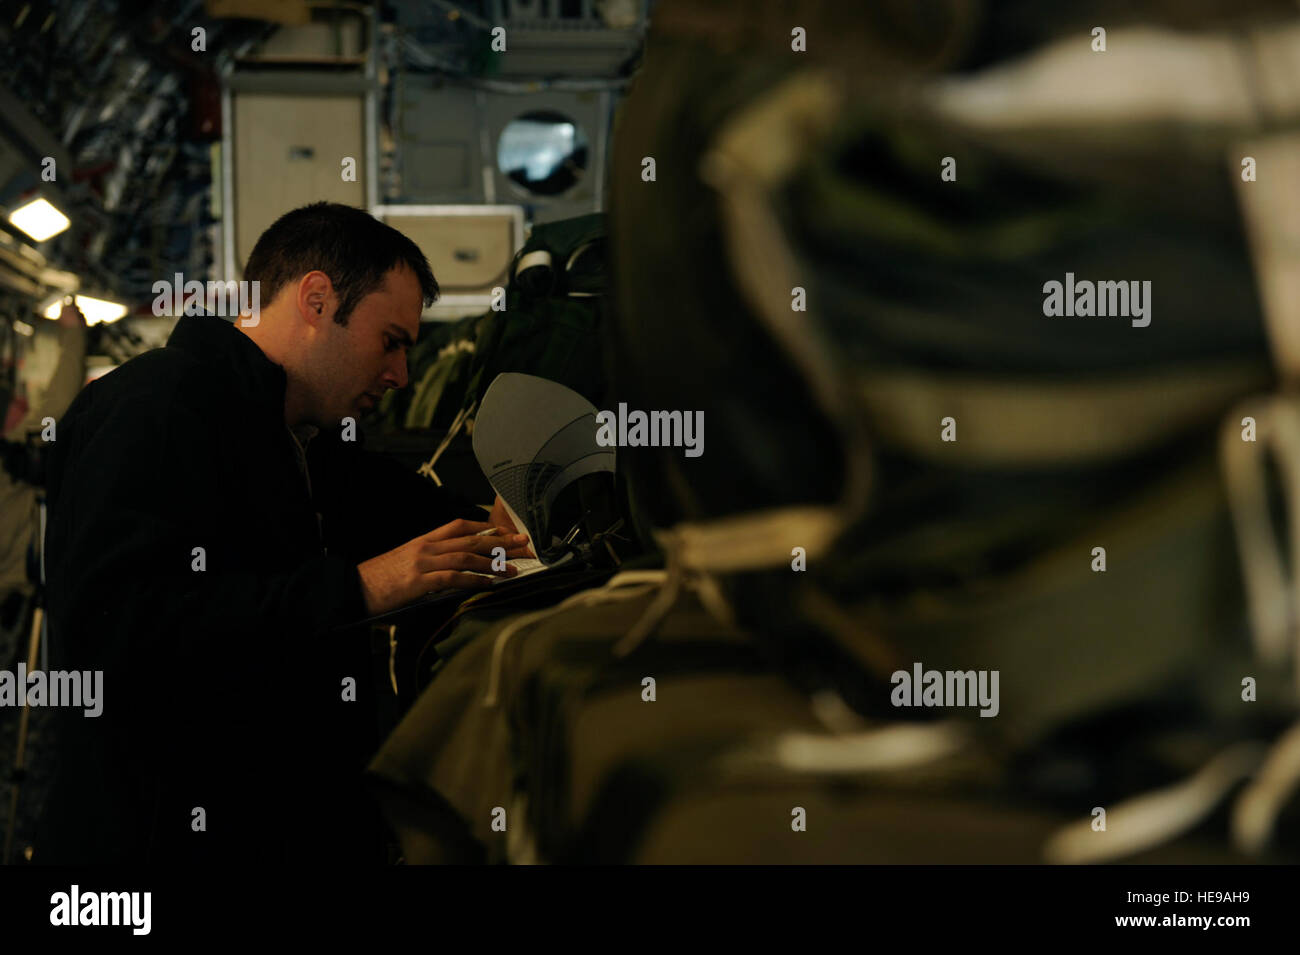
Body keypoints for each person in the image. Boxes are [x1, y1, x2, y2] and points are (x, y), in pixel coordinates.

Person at [34, 202, 531, 864]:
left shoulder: (289, 434)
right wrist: (356, 589)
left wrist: (491, 524)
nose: (400, 376)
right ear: (318, 300)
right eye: (392, 342)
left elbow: (376, 495)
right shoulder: (153, 411)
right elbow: (118, 631)